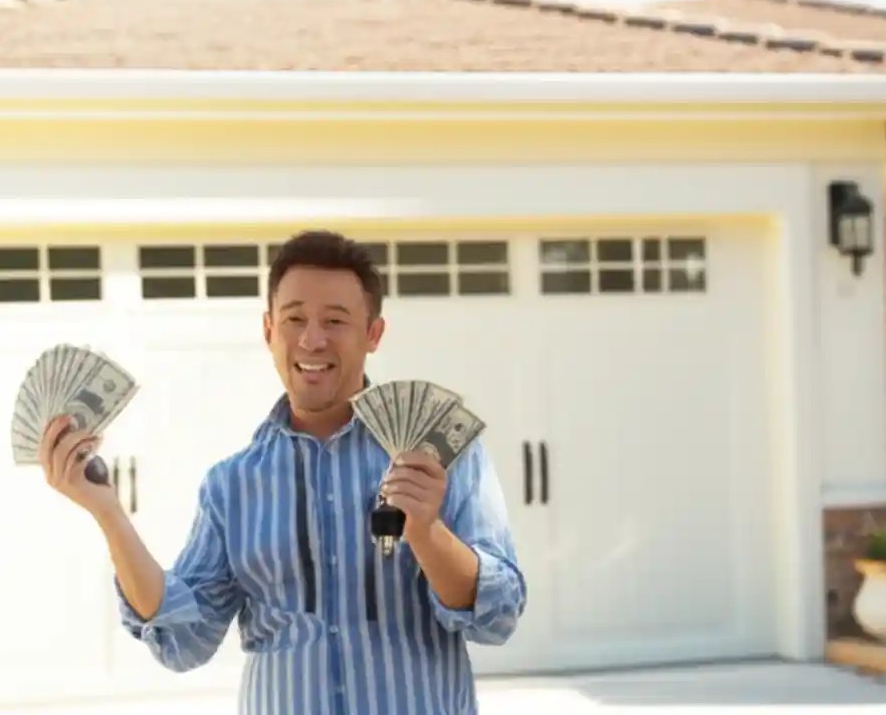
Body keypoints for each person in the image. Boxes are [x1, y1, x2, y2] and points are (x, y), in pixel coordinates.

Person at [38, 230, 526, 714]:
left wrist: (427, 531)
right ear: (269, 330)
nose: (313, 339)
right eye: (295, 319)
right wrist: (107, 512)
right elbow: (183, 636)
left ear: (373, 334)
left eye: (336, 320)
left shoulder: (441, 454)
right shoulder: (232, 486)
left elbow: (497, 616)